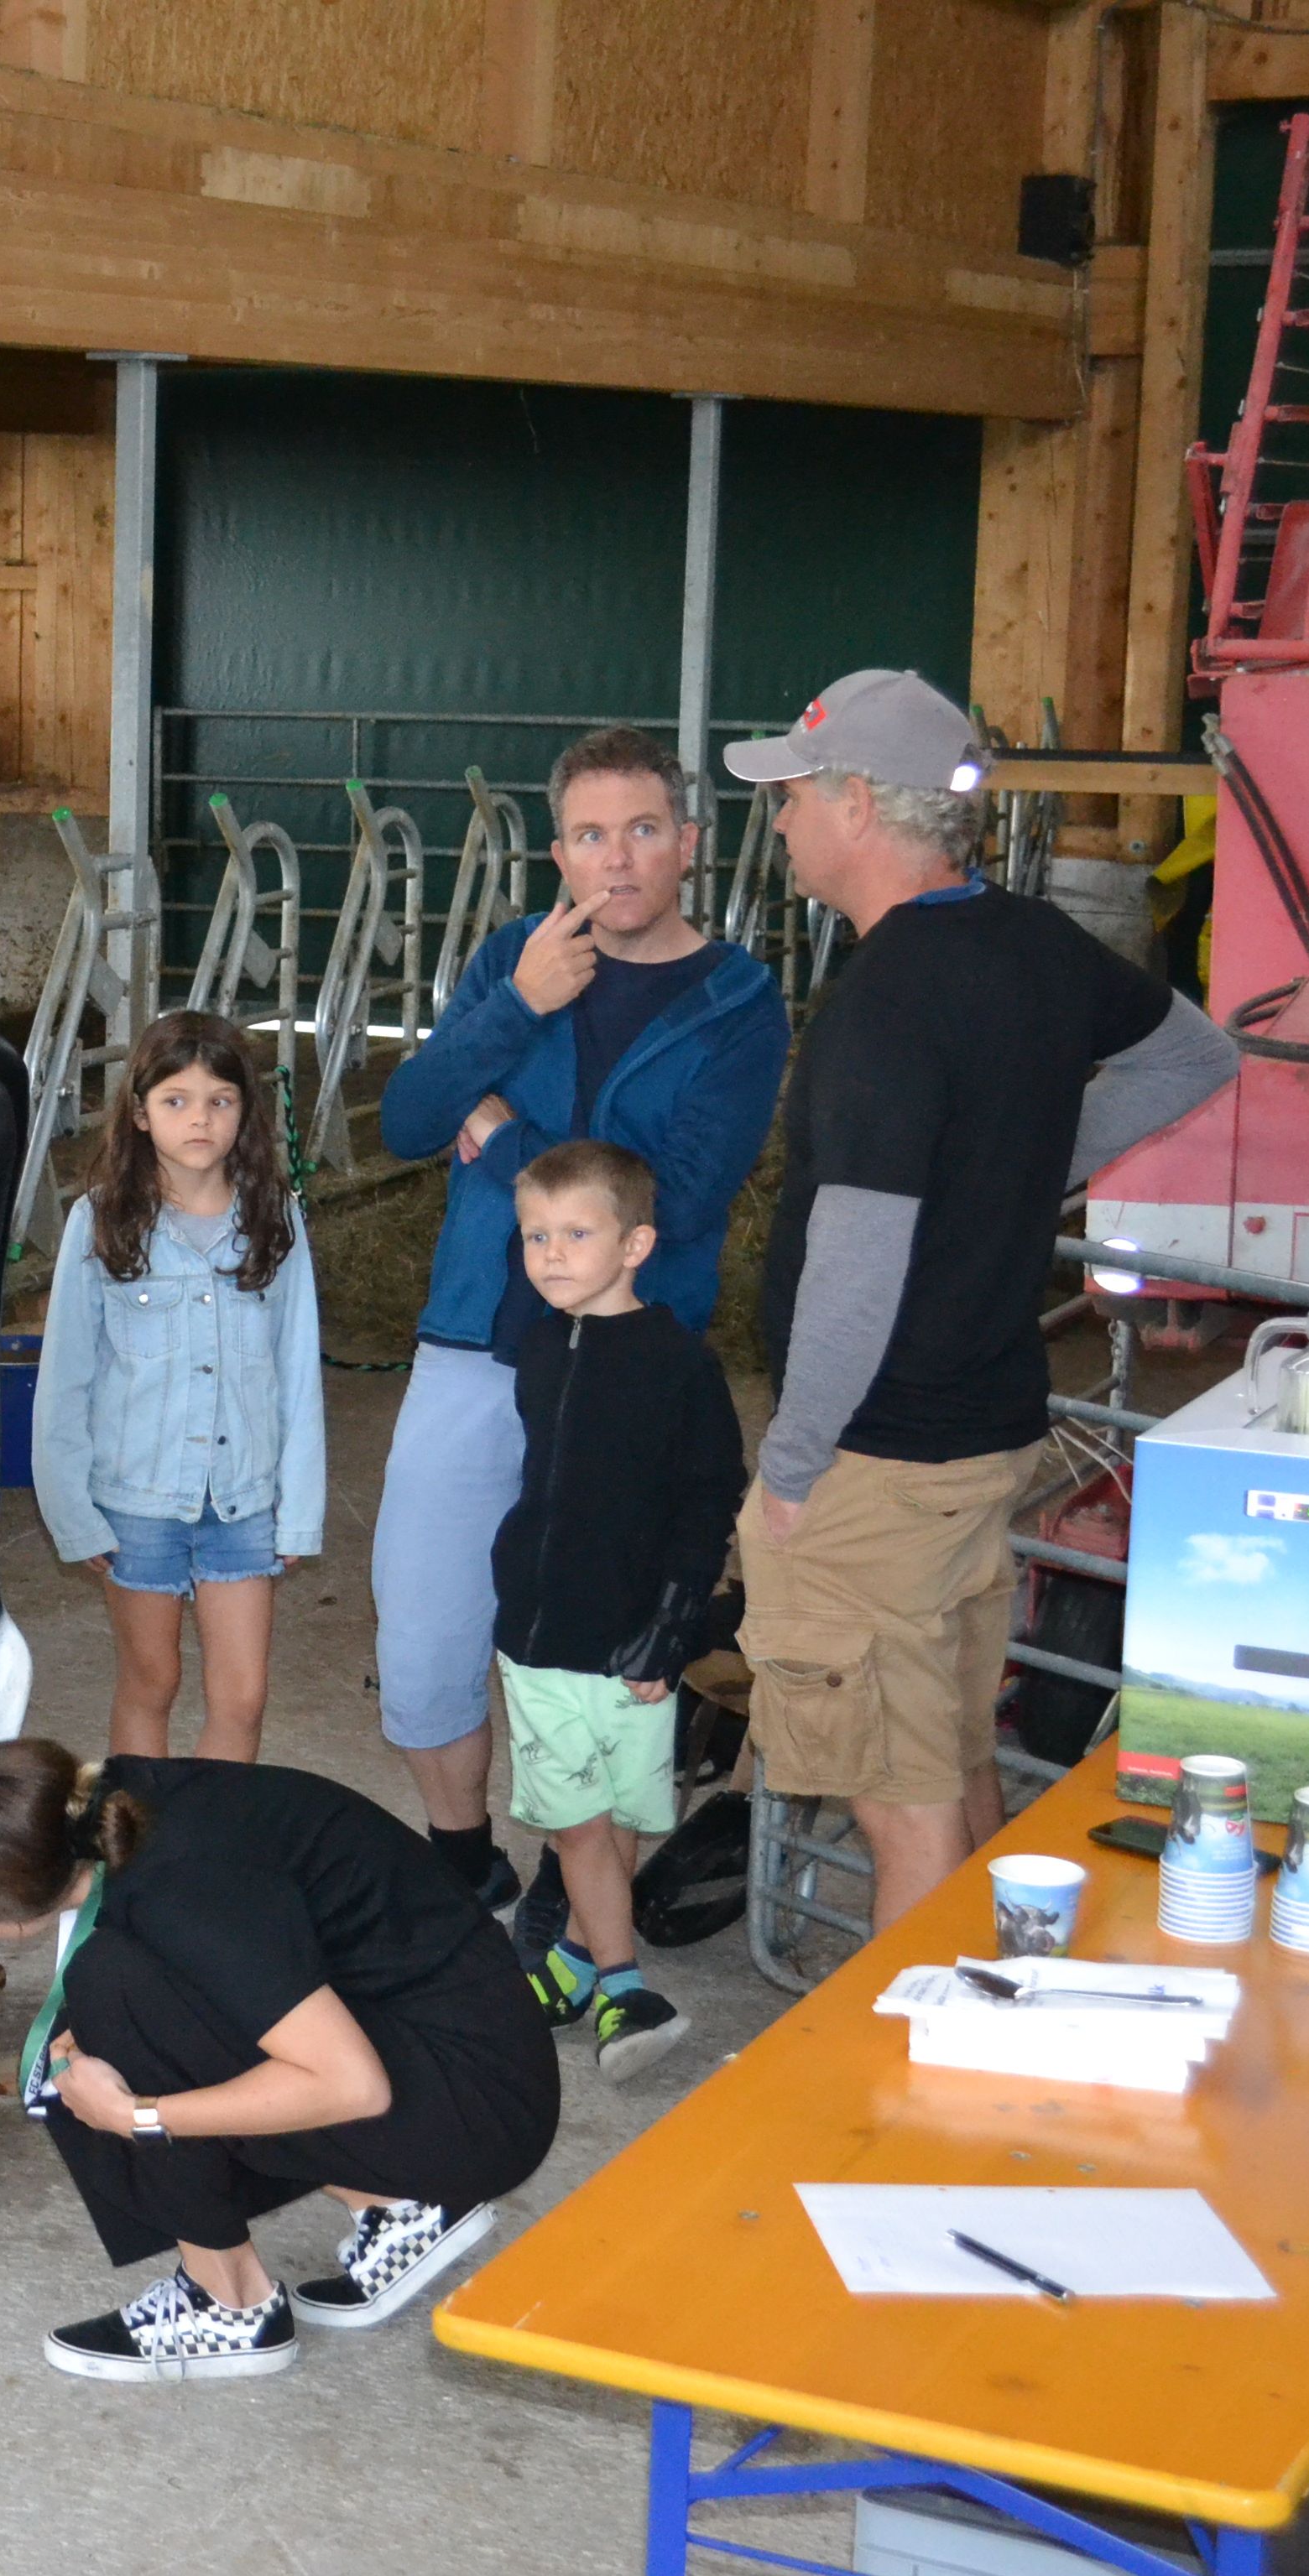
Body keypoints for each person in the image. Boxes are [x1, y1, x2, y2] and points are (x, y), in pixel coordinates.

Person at [721, 670, 1239, 1930]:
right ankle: (1005, 2009)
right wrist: (1035, 1161)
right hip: (984, 1432)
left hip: (876, 1459)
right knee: (950, 1767)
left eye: (791, 793)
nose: (778, 819)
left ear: (856, 804)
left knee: (899, 1809)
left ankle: (907, 2095)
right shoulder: (1036, 944)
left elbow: (852, 1270)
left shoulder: (881, 1006)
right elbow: (1197, 1052)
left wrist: (789, 1469)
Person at [373, 730, 787, 1918]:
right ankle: (461, 1851)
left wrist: (501, 1141)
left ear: (688, 844)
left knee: (598, 1638)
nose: (620, 859)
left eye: (645, 829)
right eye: (593, 835)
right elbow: (406, 1119)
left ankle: (579, 1873)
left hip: (628, 1368)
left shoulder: (738, 1004)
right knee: (427, 1630)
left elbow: (679, 1197)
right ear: (558, 853)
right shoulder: (516, 958)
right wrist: (514, 1012)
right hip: (476, 1337)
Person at [0, 1741, 556, 2383]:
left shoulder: (181, 1896)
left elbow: (350, 2085)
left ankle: (228, 2305)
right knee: (118, 1995)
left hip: (477, 2107)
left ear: (19, 1905)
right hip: (456, 2044)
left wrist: (137, 2117)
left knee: (112, 2000)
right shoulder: (96, 1809)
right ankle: (395, 2205)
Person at [488, 1139, 742, 2080]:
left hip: (634, 1639)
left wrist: (674, 1620)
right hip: (540, 1639)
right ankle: (626, 1987)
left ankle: (576, 1961)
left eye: (576, 1234)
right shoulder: (542, 1340)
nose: (550, 1255)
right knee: (580, 1820)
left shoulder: (677, 1365)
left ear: (635, 1244)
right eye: (535, 1236)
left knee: (624, 1806)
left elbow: (710, 1494)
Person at [29, 1012, 326, 1765]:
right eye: (177, 1100)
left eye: (221, 1100)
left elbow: (297, 1371)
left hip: (243, 1501)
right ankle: (139, 1859)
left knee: (243, 1697)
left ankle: (208, 1853)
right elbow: (65, 1377)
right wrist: (73, 1513)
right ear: (139, 1112)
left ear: (245, 1114)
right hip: (136, 1503)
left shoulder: (276, 1221)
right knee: (150, 1682)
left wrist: (300, 1514)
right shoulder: (100, 1222)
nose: (200, 1118)